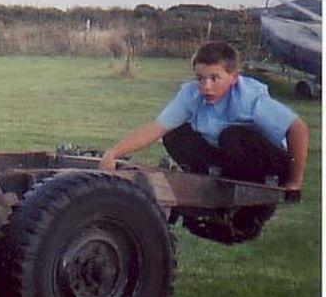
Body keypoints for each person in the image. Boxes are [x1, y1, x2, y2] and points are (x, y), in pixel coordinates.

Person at [98, 40, 308, 196]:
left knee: (232, 135)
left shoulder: (249, 98)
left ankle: (252, 184)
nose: (206, 86)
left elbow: (297, 128)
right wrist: (114, 152)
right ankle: (211, 178)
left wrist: (294, 181)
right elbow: (157, 127)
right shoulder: (191, 94)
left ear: (233, 77)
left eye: (215, 78)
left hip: (268, 161)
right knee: (175, 133)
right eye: (200, 78)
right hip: (227, 156)